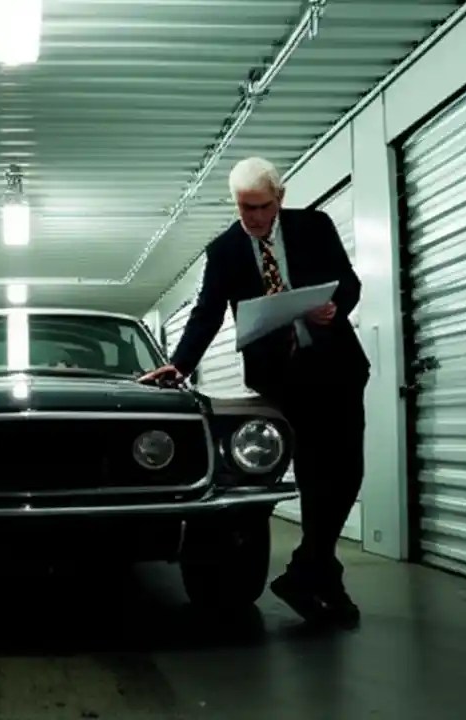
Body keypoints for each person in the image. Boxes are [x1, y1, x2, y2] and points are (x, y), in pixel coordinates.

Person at [140, 156, 370, 627]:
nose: (253, 218)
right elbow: (206, 312)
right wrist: (180, 364)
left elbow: (349, 283)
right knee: (311, 470)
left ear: (279, 200)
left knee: (346, 470)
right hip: (281, 378)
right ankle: (317, 573)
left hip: (337, 367)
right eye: (244, 208)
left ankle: (312, 567)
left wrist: (332, 307)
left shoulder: (314, 227)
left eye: (261, 207)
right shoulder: (224, 250)